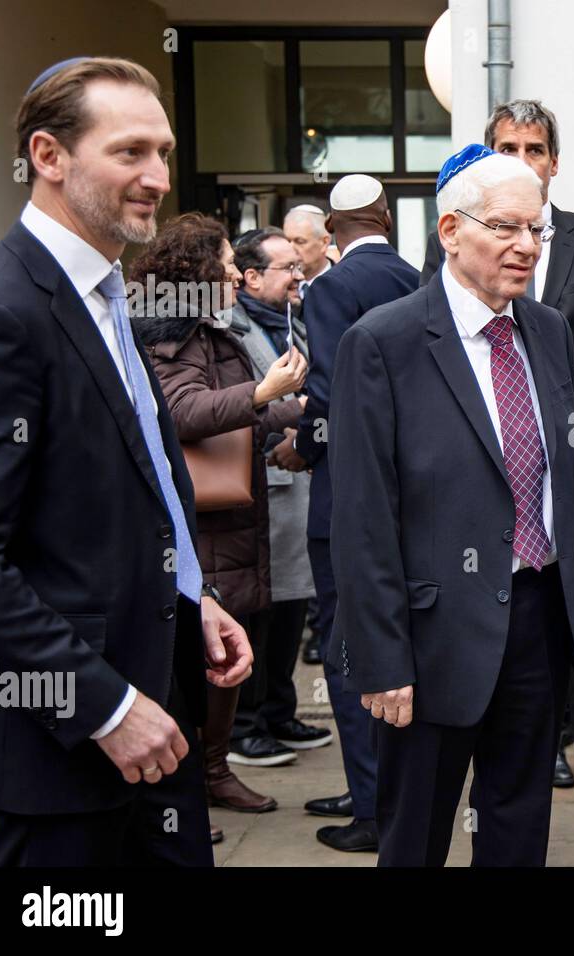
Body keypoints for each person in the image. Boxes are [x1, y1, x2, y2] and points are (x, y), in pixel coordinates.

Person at [0, 56, 251, 866]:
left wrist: (189, 598)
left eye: (162, 152)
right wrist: (101, 706)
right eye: (130, 152)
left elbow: (129, 491)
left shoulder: (108, 296)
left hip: (159, 714)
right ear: (48, 157)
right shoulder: (1, 311)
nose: (158, 176)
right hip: (66, 753)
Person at [331, 146, 574, 866]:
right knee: (415, 835)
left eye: (538, 230)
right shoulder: (383, 341)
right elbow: (362, 516)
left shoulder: (548, 330)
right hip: (429, 635)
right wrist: (380, 660)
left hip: (537, 619)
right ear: (449, 230)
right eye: (506, 228)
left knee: (517, 824)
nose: (526, 246)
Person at [424, 100, 574, 866]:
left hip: (573, 494)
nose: (525, 156)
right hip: (477, 517)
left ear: (555, 160)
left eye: (536, 146)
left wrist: (546, 405)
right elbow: (438, 356)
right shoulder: (452, 243)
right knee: (495, 700)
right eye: (508, 145)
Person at [131, 213, 308, 833]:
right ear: (196, 272)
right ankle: (179, 796)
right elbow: (182, 413)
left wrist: (298, 408)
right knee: (192, 661)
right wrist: (266, 393)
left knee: (225, 657)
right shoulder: (168, 337)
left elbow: (232, 416)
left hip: (230, 521)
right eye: (228, 262)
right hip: (197, 527)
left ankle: (212, 772)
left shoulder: (212, 331)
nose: (237, 271)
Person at [274, 173, 421, 852]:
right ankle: (392, 791)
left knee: (345, 651)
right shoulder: (419, 278)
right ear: (386, 218)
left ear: (333, 231)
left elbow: (332, 393)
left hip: (347, 496)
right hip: (412, 491)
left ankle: (372, 804)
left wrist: (301, 446)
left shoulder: (333, 288)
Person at [221, 227, 331, 766]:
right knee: (259, 606)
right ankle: (243, 726)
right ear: (252, 277)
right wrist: (283, 425)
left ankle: (279, 711)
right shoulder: (228, 328)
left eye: (298, 265)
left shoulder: (295, 320)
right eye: (286, 267)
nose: (298, 275)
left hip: (298, 483)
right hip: (261, 482)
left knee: (292, 602)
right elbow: (230, 405)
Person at [284, 203, 334, 297]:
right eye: (287, 241)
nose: (290, 249)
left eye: (299, 241)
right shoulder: (279, 286)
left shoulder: (341, 283)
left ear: (324, 242)